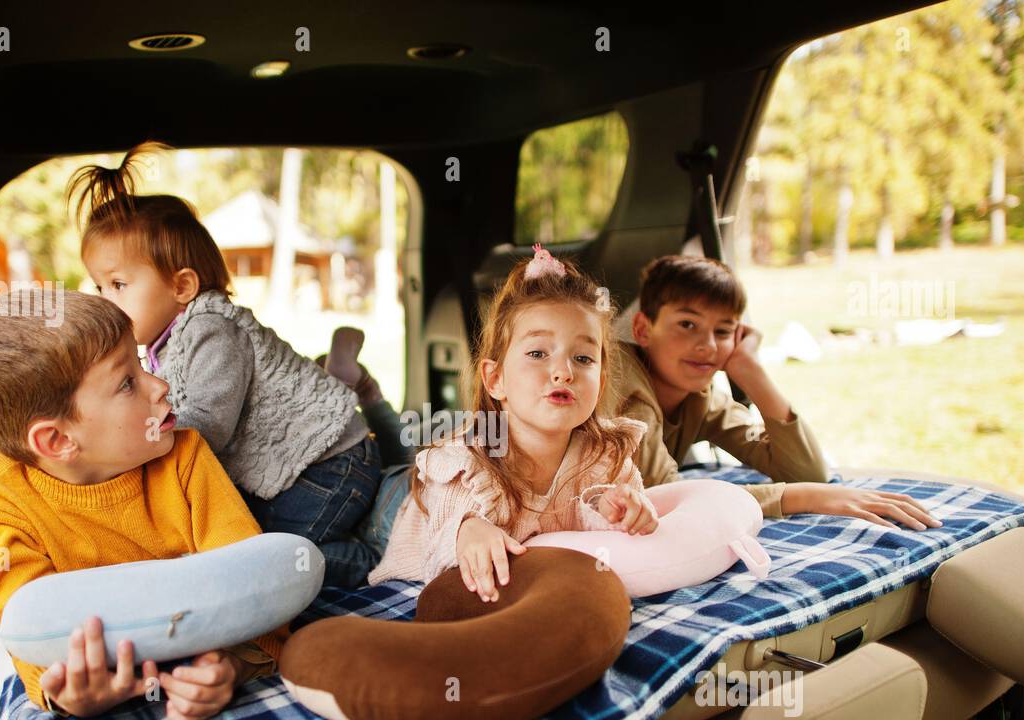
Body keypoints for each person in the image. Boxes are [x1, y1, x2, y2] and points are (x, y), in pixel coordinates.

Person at [0, 291, 289, 720]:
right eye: (127, 382)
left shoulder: (185, 454)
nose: (161, 385)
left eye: (142, 363)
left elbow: (255, 589)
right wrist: (66, 692)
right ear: (58, 441)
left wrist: (233, 665)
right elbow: (28, 622)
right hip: (88, 658)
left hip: (196, 640)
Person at [68, 143, 385, 587]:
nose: (106, 300)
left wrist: (136, 451)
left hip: (330, 460)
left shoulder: (212, 330)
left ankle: (370, 560)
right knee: (235, 540)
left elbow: (206, 426)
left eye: (118, 284)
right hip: (301, 469)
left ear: (182, 285)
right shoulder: (160, 342)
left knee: (265, 560)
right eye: (100, 286)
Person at [368, 245, 658, 600]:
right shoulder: (468, 465)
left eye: (583, 358)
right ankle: (370, 401)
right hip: (399, 511)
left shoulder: (605, 458)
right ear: (495, 379)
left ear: (600, 383)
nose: (564, 372)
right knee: (361, 501)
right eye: (538, 353)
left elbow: (611, 522)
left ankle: (375, 409)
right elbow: (447, 533)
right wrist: (469, 531)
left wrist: (624, 512)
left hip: (416, 481)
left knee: (400, 448)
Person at [606, 254, 940, 529]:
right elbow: (672, 497)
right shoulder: (624, 386)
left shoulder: (698, 397)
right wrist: (806, 498)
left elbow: (807, 472)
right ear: (643, 330)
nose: (707, 346)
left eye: (723, 331)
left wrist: (751, 373)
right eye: (687, 325)